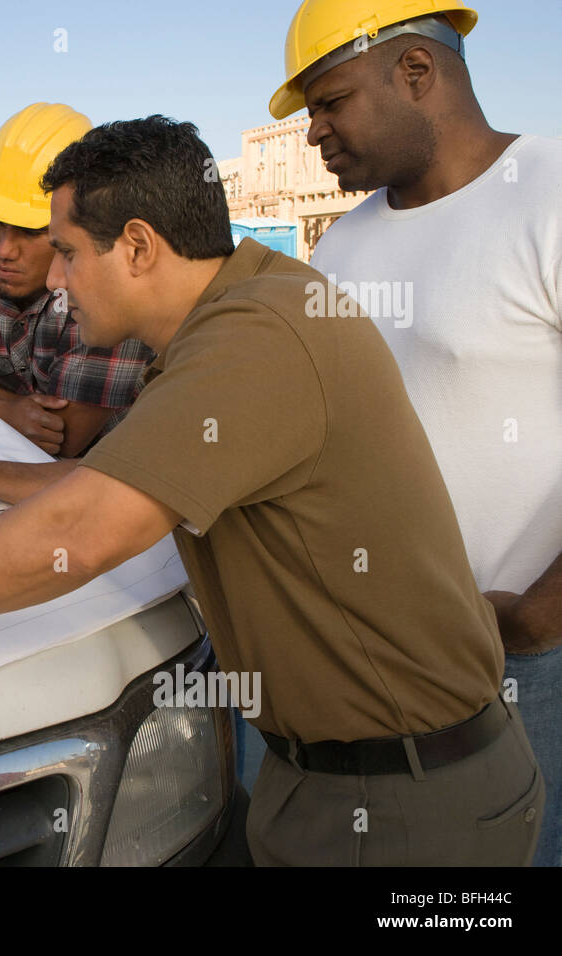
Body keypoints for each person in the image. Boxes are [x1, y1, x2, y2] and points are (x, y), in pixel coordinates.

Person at [0, 116, 543, 866]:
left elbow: (85, 531)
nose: (56, 280)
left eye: (70, 252)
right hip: (343, 775)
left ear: (141, 247)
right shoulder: (238, 310)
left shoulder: (253, 341)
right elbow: (121, 478)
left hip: (404, 805)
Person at [270, 0, 562, 865]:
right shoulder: (343, 250)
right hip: (385, 666)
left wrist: (540, 618)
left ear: (416, 72)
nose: (313, 133)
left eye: (330, 102)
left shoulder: (548, 198)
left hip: (532, 664)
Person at [0, 103, 153, 457]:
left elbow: (60, 441)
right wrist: (6, 410)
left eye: (29, 230)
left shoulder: (106, 298)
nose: (5, 250)